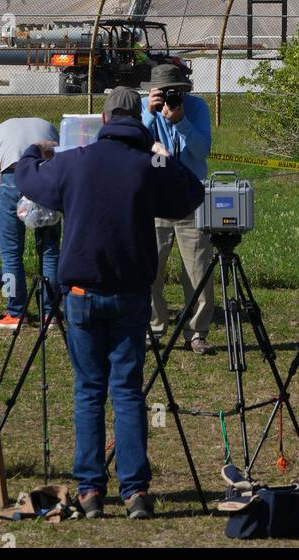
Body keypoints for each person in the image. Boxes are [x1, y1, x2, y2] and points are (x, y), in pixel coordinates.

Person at [13, 86, 204, 521]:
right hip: (131, 295)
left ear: (102, 119)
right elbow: (191, 191)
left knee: (88, 391)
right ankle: (136, 491)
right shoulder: (147, 164)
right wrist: (162, 152)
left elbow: (28, 181)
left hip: (81, 294)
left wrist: (33, 152)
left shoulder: (75, 162)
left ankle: (90, 490)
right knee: (128, 391)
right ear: (137, 118)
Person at [140, 63, 213, 354]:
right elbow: (134, 145)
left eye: (177, 93)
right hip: (155, 199)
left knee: (197, 269)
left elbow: (201, 151)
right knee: (150, 268)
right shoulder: (146, 110)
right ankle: (154, 327)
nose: (171, 98)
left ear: (185, 91)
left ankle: (196, 332)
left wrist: (181, 120)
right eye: (165, 94)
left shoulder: (196, 108)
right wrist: (149, 113)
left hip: (190, 198)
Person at [0, 116, 59, 330]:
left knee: (10, 253)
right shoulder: (48, 126)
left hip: (12, 179)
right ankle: (51, 313)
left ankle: (15, 312)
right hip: (46, 179)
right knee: (50, 251)